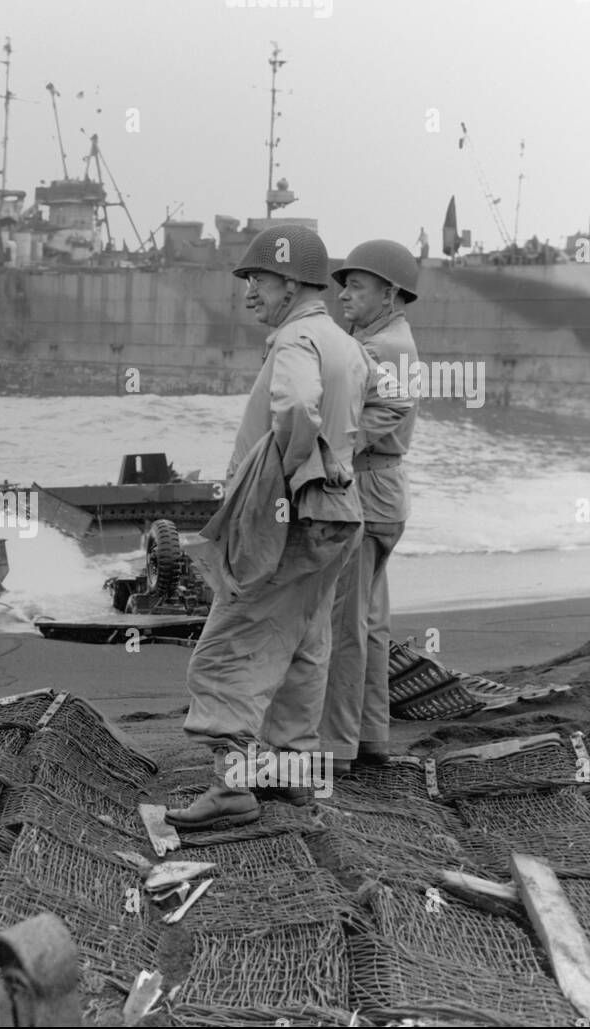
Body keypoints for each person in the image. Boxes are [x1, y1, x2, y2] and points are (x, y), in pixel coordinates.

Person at [167, 225, 369, 830]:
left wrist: (291, 472)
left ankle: (231, 789)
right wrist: (325, 466)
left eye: (259, 278)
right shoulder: (346, 345)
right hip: (338, 515)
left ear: (293, 282)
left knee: (228, 648)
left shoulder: (295, 342)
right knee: (305, 642)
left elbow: (297, 407)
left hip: (292, 517)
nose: (249, 290)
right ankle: (291, 770)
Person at [320, 240, 421, 773]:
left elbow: (360, 422)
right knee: (371, 621)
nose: (343, 296)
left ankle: (335, 747)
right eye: (343, 285)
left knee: (343, 625)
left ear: (390, 293)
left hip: (365, 495)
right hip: (385, 495)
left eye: (356, 286)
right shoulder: (390, 339)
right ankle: (370, 735)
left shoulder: (381, 348)